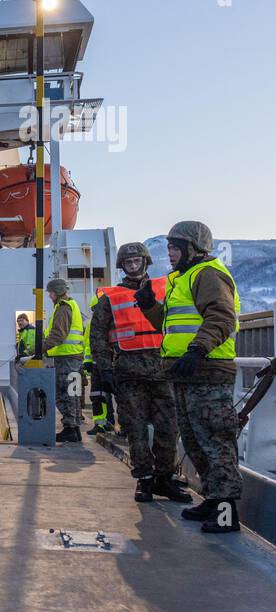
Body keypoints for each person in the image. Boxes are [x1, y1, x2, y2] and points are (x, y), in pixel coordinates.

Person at [138, 221, 243, 532]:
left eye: (175, 247)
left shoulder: (207, 274)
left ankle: (226, 514)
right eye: (169, 247)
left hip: (208, 372)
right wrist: (150, 308)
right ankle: (213, 499)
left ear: (193, 249)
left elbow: (222, 315)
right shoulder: (182, 279)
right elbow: (172, 325)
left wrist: (198, 350)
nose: (169, 253)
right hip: (186, 374)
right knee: (196, 442)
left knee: (215, 441)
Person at [89, 242, 189, 503]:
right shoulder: (110, 297)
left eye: (137, 262)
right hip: (129, 372)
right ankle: (144, 479)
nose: (133, 266)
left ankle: (164, 479)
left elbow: (178, 319)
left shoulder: (165, 288)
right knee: (136, 429)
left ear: (145, 263)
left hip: (164, 369)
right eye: (129, 263)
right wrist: (104, 368)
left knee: (169, 427)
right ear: (122, 266)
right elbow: (97, 335)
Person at [44, 277, 86, 442]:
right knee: (73, 392)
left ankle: (69, 428)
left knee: (62, 392)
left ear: (57, 292)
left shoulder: (62, 308)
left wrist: (39, 350)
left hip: (66, 357)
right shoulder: (72, 305)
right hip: (74, 356)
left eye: (51, 293)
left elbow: (58, 335)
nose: (49, 296)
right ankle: (74, 429)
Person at [83, 290, 117, 435]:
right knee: (98, 395)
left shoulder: (114, 321)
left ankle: (120, 425)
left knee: (119, 395)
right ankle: (101, 424)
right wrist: (88, 361)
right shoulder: (93, 323)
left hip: (112, 363)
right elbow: (88, 344)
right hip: (98, 364)